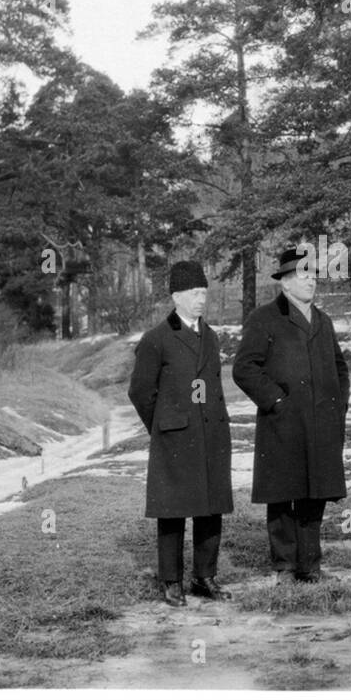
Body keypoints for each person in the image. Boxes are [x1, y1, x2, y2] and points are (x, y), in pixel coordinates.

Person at [233, 247, 350, 583]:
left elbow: (341, 369)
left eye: (313, 274)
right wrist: (276, 402)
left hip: (322, 424)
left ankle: (311, 566)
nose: (311, 280)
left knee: (316, 495)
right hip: (283, 423)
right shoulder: (264, 318)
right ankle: (285, 566)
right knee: (283, 496)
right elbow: (244, 368)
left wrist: (338, 404)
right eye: (302, 274)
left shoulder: (323, 321)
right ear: (284, 282)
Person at [128, 260, 234, 607]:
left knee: (210, 509)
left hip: (212, 436)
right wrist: (163, 426)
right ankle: (171, 581)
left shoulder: (211, 336)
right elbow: (141, 392)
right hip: (174, 439)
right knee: (172, 511)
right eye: (193, 293)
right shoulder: (156, 339)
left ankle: (205, 577)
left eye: (204, 292)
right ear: (175, 296)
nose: (201, 299)